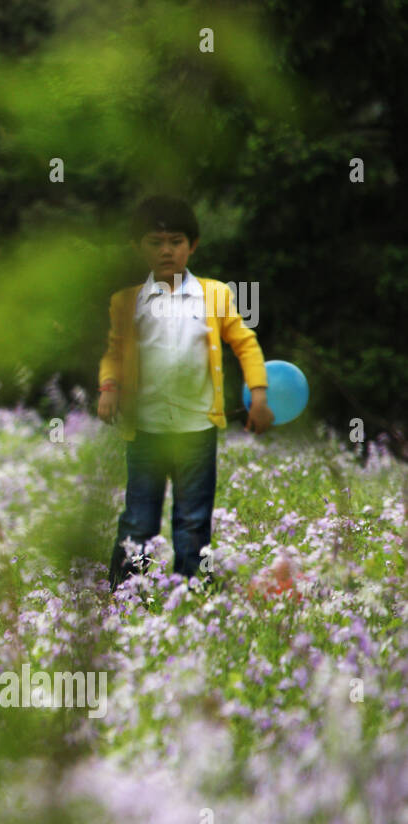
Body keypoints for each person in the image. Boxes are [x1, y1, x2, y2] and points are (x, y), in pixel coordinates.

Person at [98, 196, 273, 593]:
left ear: (192, 245)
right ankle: (125, 595)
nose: (166, 250)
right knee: (139, 518)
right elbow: (115, 352)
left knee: (194, 518)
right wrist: (109, 388)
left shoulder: (215, 295)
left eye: (175, 241)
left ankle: (192, 594)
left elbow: (245, 344)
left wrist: (257, 394)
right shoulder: (126, 301)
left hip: (197, 428)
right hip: (145, 430)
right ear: (138, 248)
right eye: (155, 242)